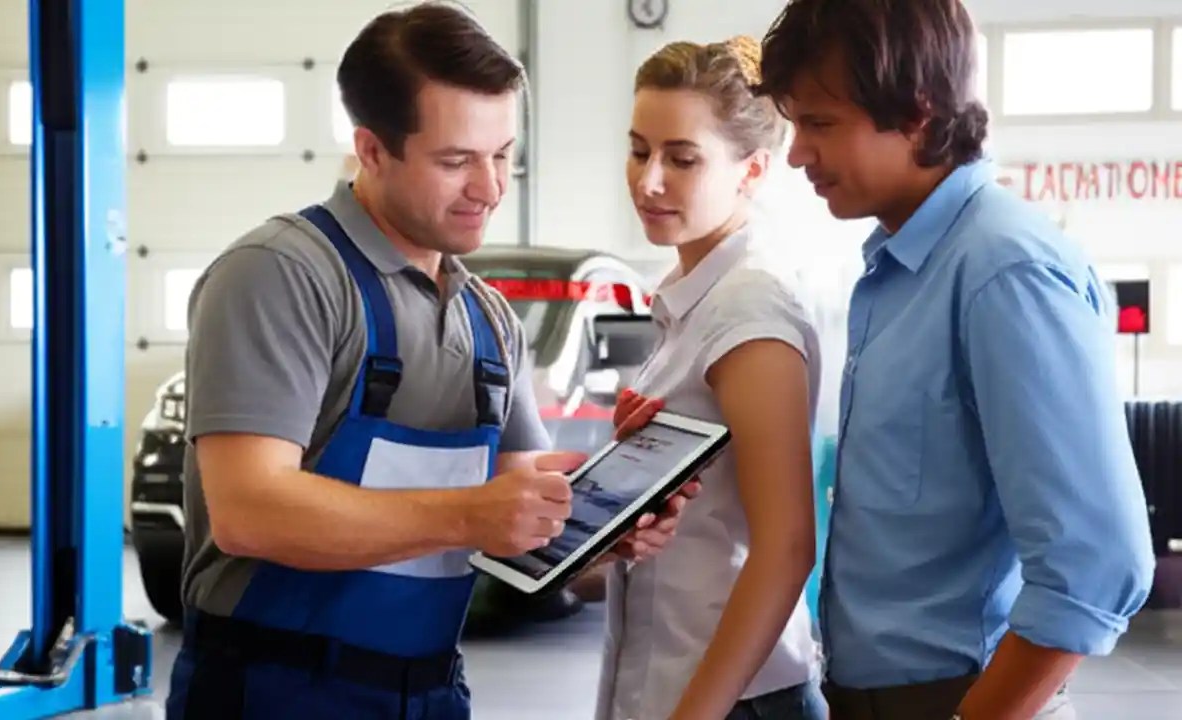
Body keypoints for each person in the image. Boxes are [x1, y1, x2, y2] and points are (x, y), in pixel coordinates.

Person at [163, 4, 693, 718]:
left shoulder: (491, 321)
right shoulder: (281, 274)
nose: (490, 187)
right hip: (271, 693)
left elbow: (515, 531)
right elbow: (249, 511)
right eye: (455, 161)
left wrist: (603, 528)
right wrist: (471, 514)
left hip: (431, 693)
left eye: (503, 155)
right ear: (372, 150)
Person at [752, 1, 1157, 719]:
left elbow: (1096, 564)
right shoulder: (900, 269)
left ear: (918, 113)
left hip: (960, 699)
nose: (797, 154)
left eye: (820, 124)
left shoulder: (1003, 270)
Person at [597, 36, 829, 720]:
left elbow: (786, 547)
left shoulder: (748, 306)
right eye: (639, 150)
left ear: (752, 170)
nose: (648, 181)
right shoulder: (689, 300)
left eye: (682, 158)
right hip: (677, 684)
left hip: (732, 701)